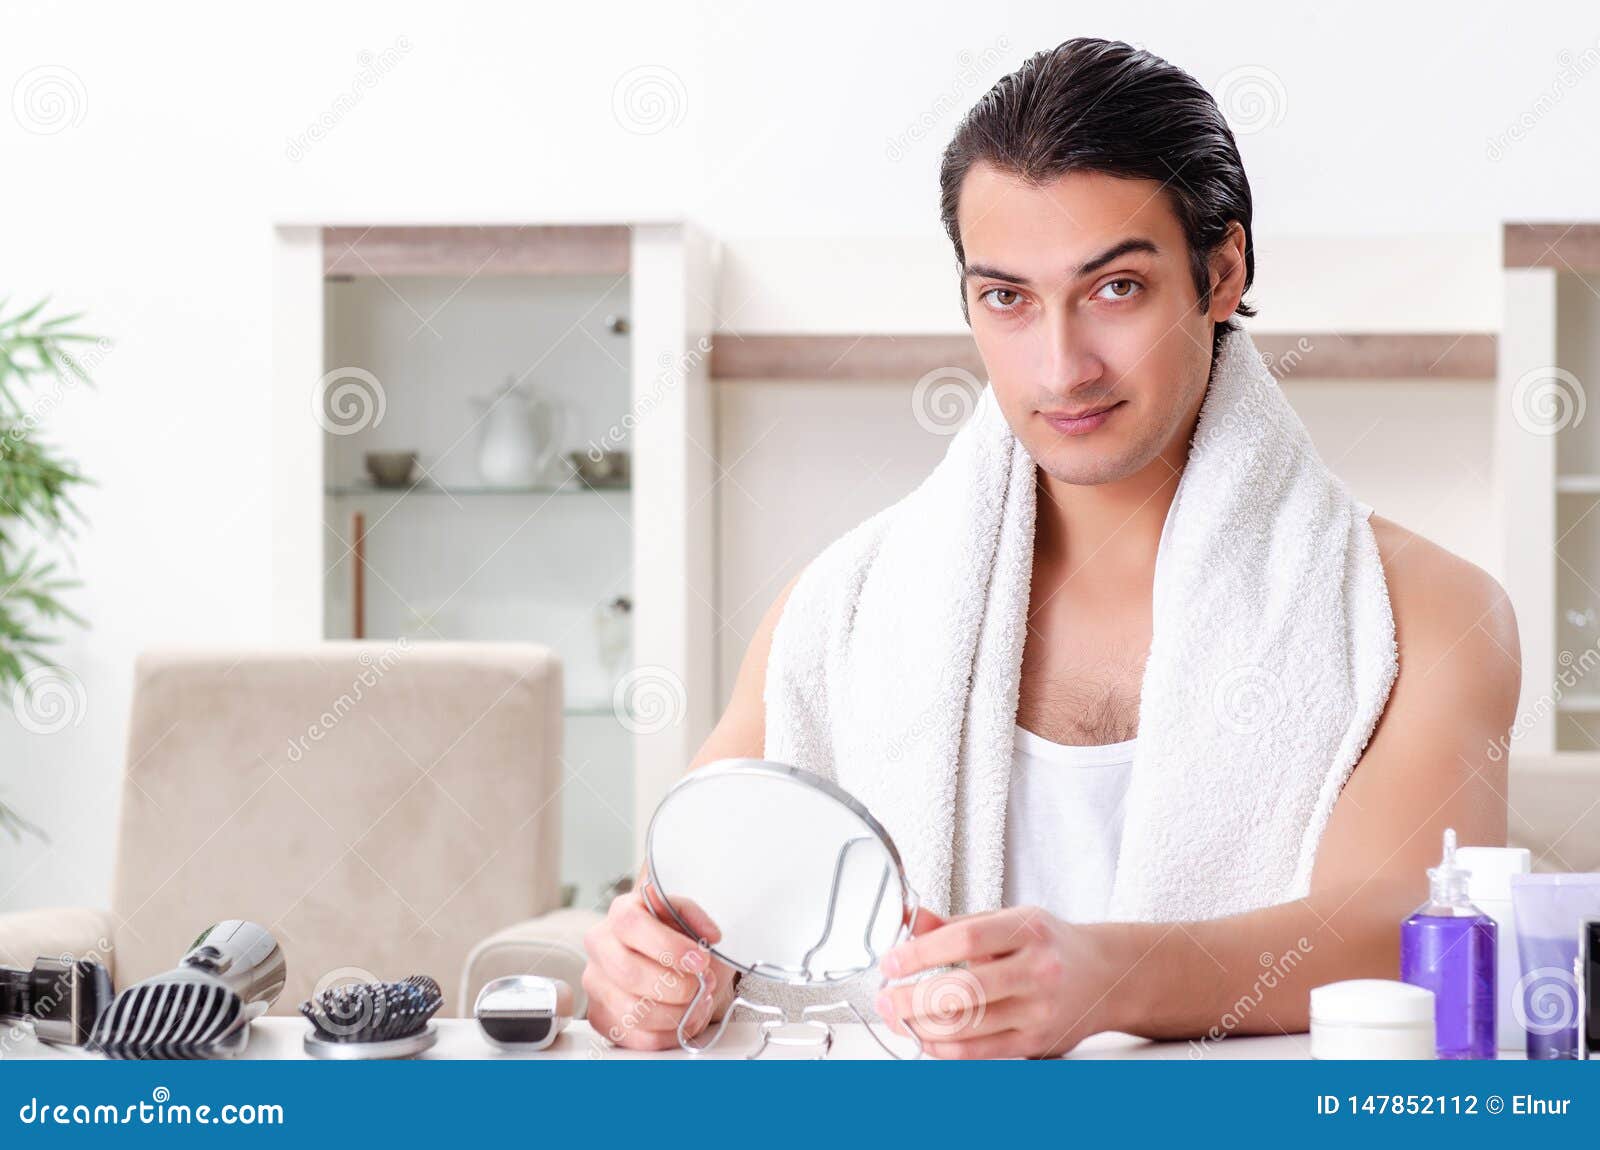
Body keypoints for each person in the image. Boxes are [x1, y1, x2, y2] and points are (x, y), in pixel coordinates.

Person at [582, 37, 1517, 1058]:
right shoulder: (841, 611)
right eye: (1007, 298)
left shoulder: (1420, 613)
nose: (1061, 365)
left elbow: (1402, 929)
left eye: (1114, 288)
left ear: (1222, 271)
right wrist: (656, 975)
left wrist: (1102, 980)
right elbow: (695, 896)